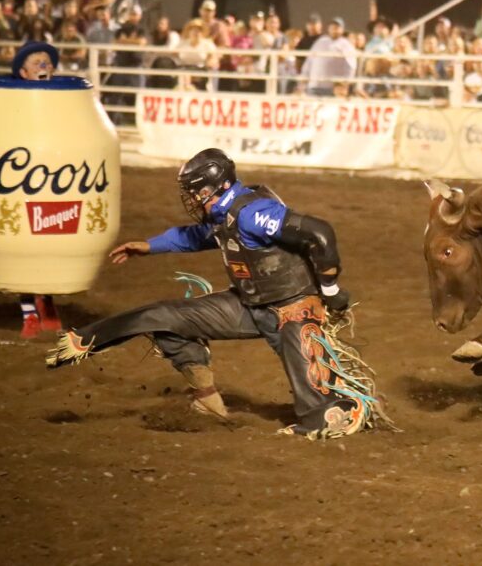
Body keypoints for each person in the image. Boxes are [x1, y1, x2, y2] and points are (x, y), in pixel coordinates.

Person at [44, 149, 388, 439]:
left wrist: (330, 290)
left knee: (318, 410)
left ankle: (339, 408)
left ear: (220, 186)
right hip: (250, 304)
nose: (193, 199)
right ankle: (206, 399)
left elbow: (319, 233)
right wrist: (148, 247)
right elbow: (195, 237)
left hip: (292, 310)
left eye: (197, 192)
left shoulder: (253, 212)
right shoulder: (225, 214)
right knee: (164, 318)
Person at [9, 41, 64, 337]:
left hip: (54, 179)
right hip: (21, 180)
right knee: (23, 244)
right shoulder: (10, 102)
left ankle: (47, 299)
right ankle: (29, 310)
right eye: (37, 62)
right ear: (23, 71)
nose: (44, 66)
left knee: (51, 239)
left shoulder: (65, 101)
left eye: (47, 61)